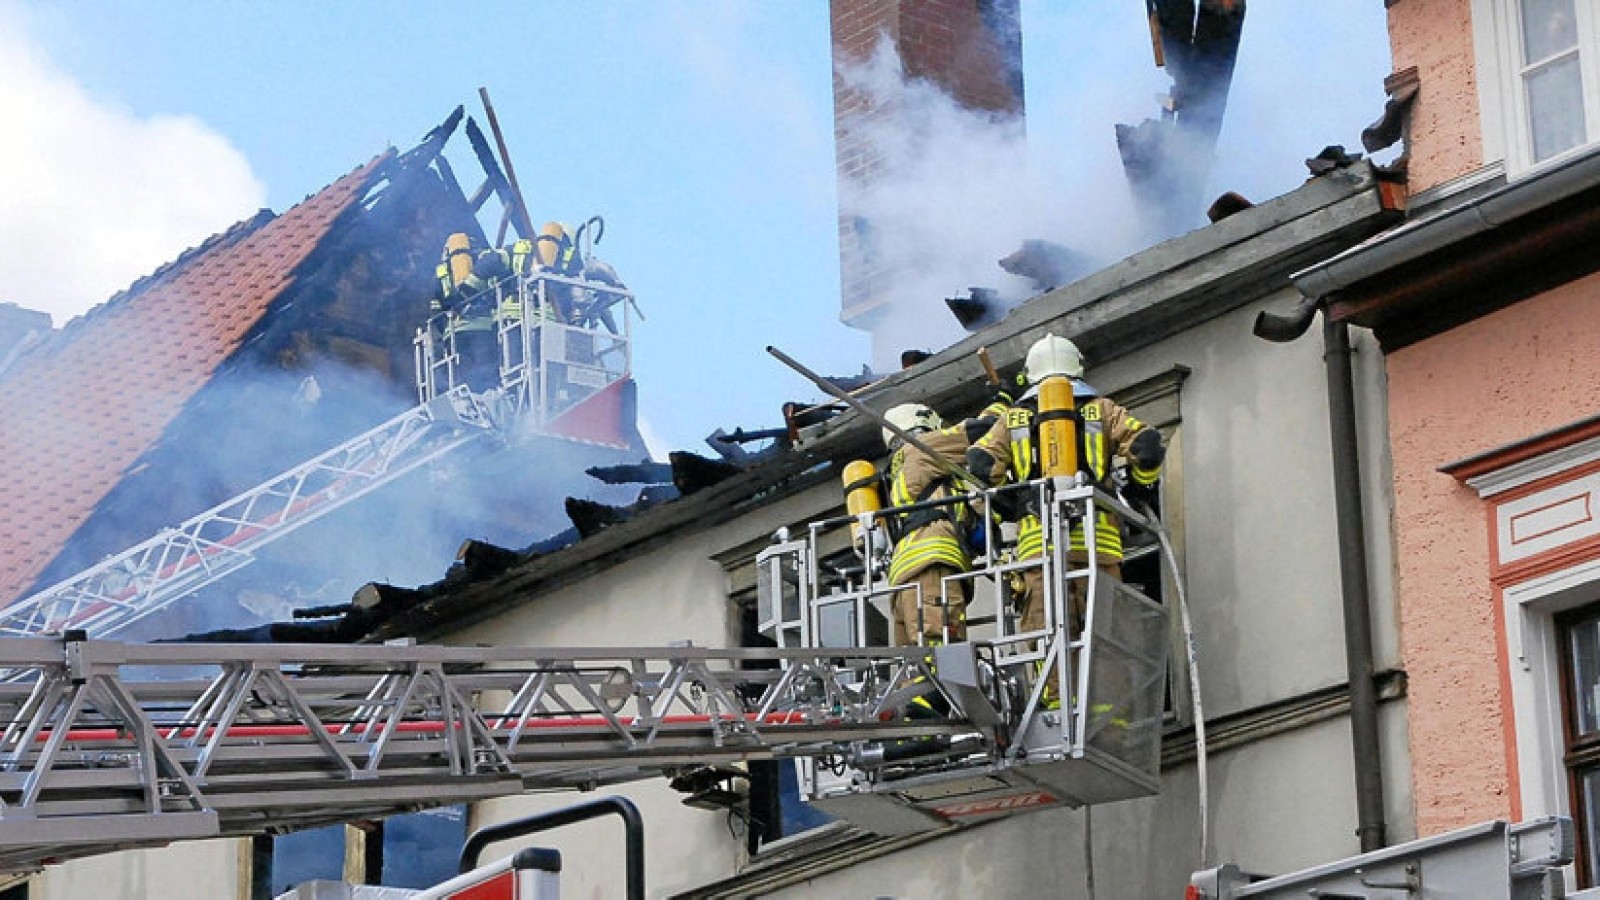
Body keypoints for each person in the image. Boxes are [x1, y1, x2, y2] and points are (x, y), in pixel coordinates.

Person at [996, 332, 1165, 639]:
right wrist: (1138, 491)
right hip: (1097, 549)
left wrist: (1014, 504)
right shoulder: (1103, 409)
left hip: (1039, 550)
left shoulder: (1012, 419)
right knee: (1106, 650)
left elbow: (981, 464)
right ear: (1077, 367)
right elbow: (1149, 447)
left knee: (1050, 651)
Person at [880, 402, 1009, 647]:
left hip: (904, 578)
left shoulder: (896, 468)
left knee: (917, 671)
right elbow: (983, 432)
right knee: (943, 658)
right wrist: (1001, 404)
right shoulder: (922, 449)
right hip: (932, 568)